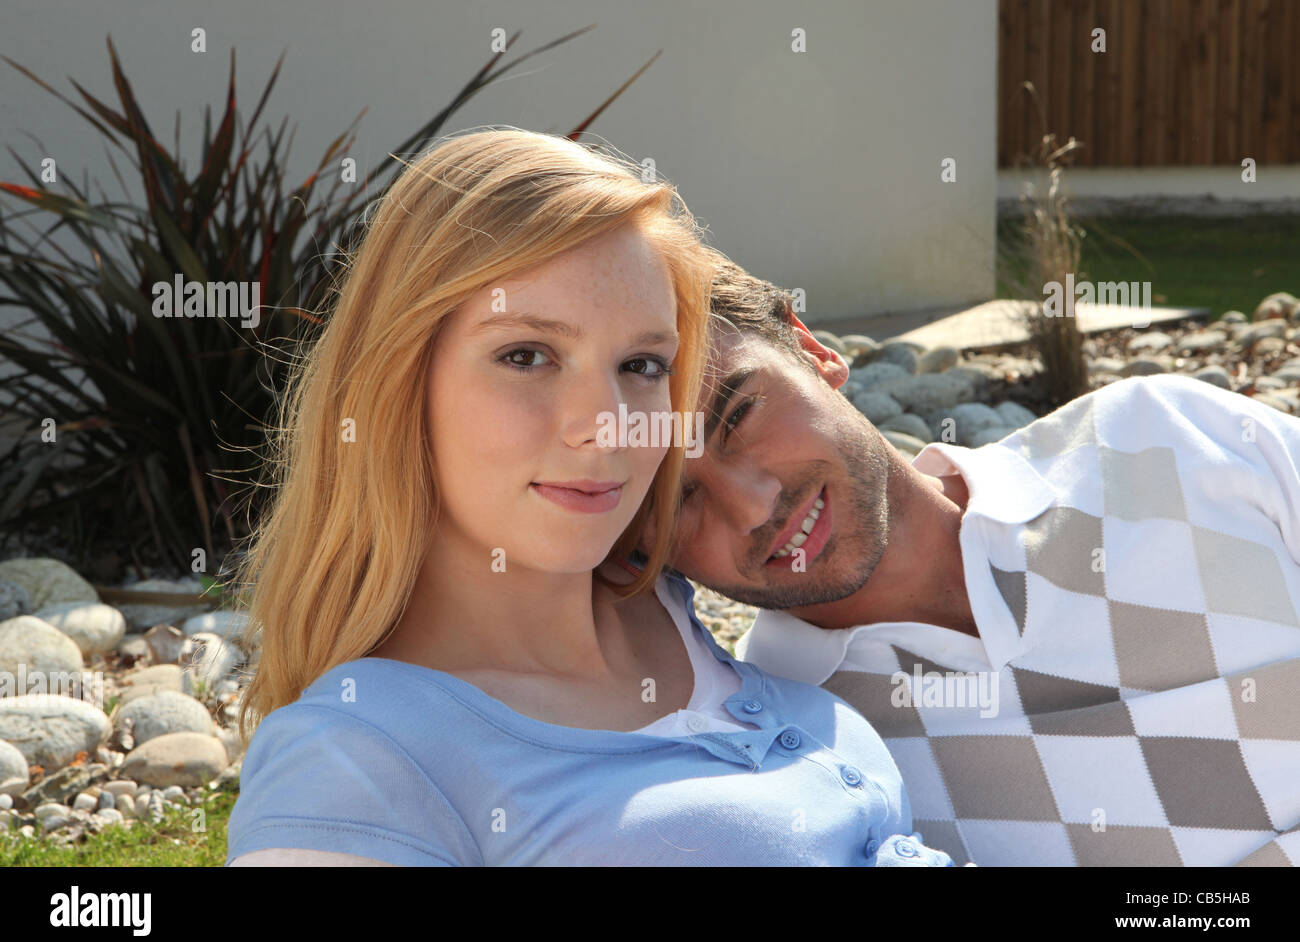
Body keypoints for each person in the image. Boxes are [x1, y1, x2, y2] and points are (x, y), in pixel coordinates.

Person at [222, 128, 955, 866]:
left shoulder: (668, 611)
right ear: (399, 382)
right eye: (526, 356)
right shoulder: (355, 761)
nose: (608, 424)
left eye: (642, 364)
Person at [658, 255, 1300, 867]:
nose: (752, 506)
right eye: (675, 501)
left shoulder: (1168, 436)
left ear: (810, 349)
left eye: (738, 415)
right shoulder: (792, 766)